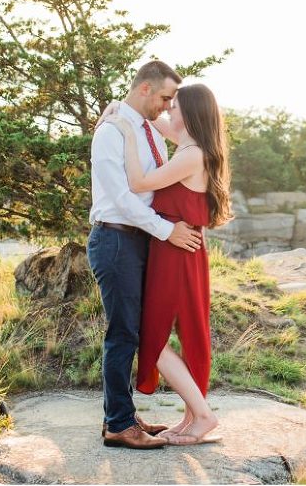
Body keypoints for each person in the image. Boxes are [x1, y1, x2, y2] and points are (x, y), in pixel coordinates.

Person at [102, 82, 233, 446]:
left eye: (173, 107)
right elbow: (150, 119)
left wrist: (125, 133)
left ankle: (203, 415)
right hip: (176, 251)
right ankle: (193, 416)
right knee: (170, 334)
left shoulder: (190, 155)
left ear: (188, 114)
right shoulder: (191, 147)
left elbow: (138, 180)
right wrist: (121, 107)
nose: (166, 112)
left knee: (153, 336)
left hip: (176, 255)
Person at [87, 61, 204, 450]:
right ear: (145, 90)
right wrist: (167, 230)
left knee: (133, 330)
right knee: (122, 332)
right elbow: (123, 197)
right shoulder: (111, 133)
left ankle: (121, 416)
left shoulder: (137, 126)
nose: (168, 107)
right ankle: (119, 424)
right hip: (116, 239)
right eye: (166, 98)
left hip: (139, 241)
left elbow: (154, 182)